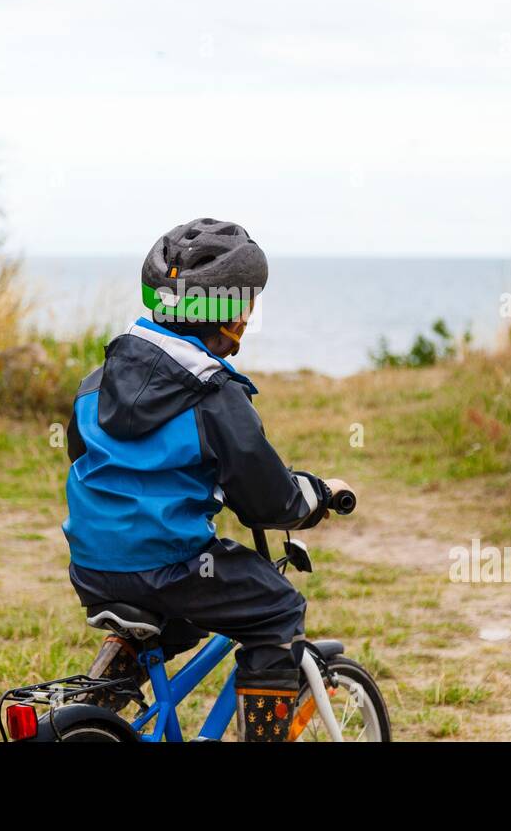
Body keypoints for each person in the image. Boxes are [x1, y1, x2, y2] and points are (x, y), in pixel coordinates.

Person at [62, 218, 351, 741]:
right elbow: (266, 498)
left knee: (187, 617)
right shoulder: (213, 394)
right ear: (231, 317)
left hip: (92, 566)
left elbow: (80, 455)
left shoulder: (96, 382)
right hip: (170, 565)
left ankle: (102, 698)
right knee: (275, 608)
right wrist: (310, 497)